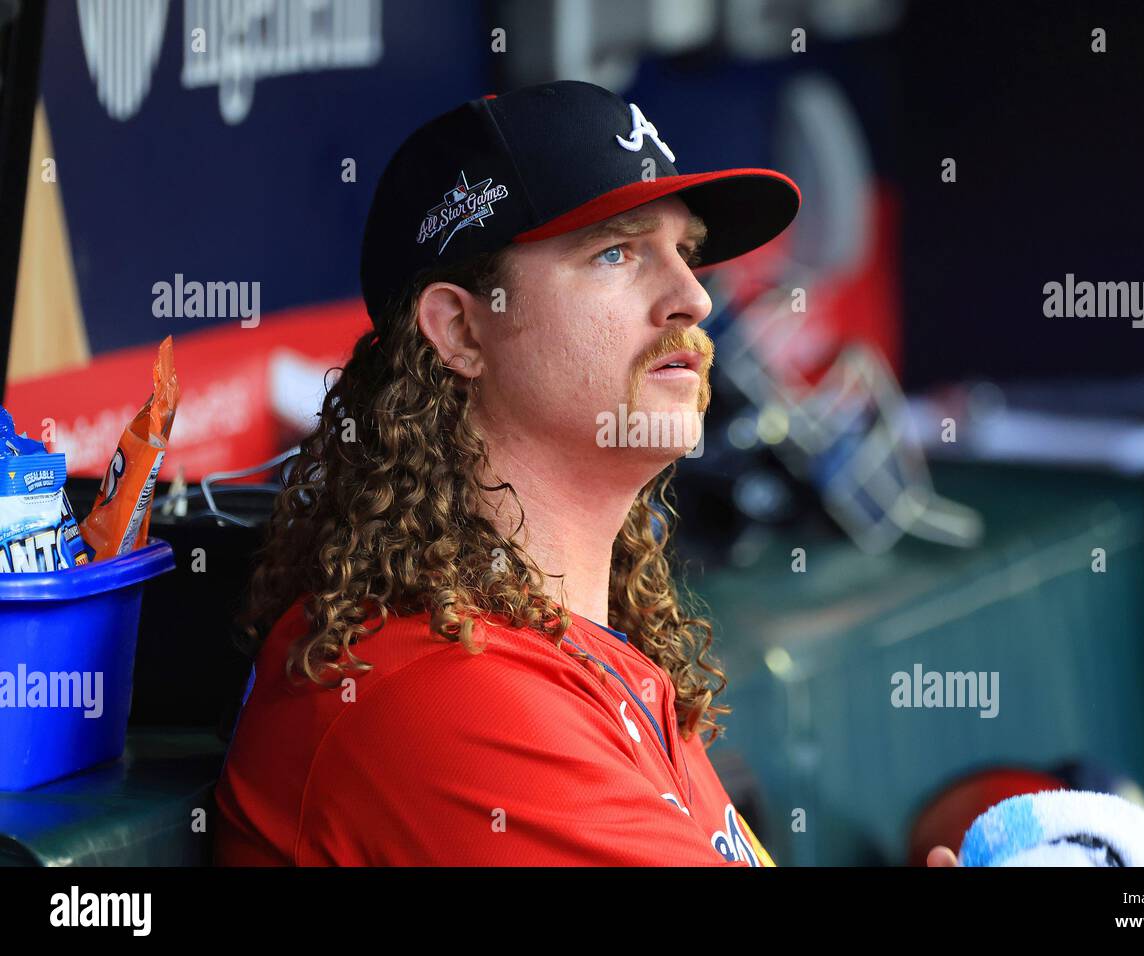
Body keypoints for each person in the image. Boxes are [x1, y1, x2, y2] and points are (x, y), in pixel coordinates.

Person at [214, 80, 806, 865]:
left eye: (686, 253)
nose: (693, 297)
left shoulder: (571, 646)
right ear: (460, 330)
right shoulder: (445, 694)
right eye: (616, 252)